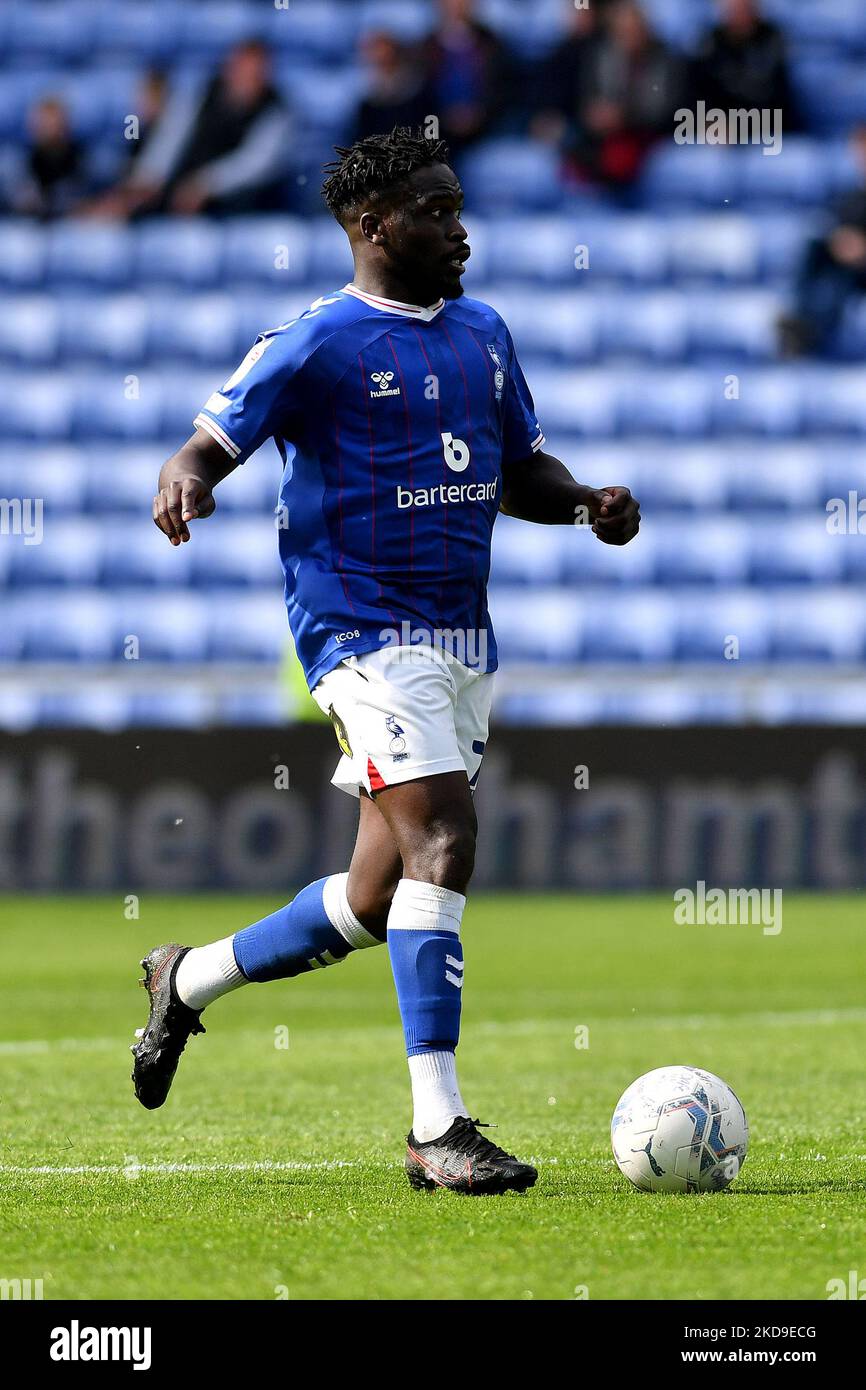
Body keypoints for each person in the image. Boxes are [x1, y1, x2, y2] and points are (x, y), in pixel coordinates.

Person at [134, 127, 640, 1196]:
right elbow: (210, 440)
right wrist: (185, 478)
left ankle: (186, 979)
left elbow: (515, 467)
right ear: (372, 225)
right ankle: (436, 1127)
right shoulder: (316, 341)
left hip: (460, 637)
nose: (460, 229)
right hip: (359, 627)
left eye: (458, 207)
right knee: (445, 839)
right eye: (436, 210)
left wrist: (583, 500)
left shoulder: (483, 334)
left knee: (372, 898)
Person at [102, 39, 289, 217]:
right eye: (241, 70)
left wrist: (205, 184)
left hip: (238, 200)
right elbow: (171, 137)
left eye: (254, 74)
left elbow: (253, 164)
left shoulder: (277, 110)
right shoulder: (201, 95)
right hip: (180, 187)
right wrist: (148, 178)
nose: (246, 79)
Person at [566, 0, 685, 188]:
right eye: (623, 31)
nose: (629, 37)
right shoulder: (602, 56)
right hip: (604, 134)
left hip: (646, 133)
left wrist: (624, 116)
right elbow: (588, 96)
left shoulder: (664, 60)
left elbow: (664, 108)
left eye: (634, 30)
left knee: (620, 159)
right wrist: (596, 115)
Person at [779, 126, 866, 356]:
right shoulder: (852, 196)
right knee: (816, 246)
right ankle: (799, 316)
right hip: (849, 268)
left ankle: (810, 330)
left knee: (840, 281)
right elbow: (839, 231)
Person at [692, 0, 798, 128]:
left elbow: (775, 97)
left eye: (745, 7)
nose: (740, 14)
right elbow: (700, 92)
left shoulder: (772, 40)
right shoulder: (710, 44)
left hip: (768, 129)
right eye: (734, 9)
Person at [422, 0, 509, 154]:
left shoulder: (491, 43)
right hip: (437, 128)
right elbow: (423, 90)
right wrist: (445, 116)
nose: (457, 5)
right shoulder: (427, 46)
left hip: (486, 127)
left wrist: (479, 114)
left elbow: (502, 87)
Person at [9, 96, 86, 218]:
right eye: (44, 123)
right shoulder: (16, 162)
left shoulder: (82, 159)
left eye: (54, 122)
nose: (50, 129)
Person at [353, 30, 434, 142]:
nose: (382, 56)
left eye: (386, 50)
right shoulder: (365, 93)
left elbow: (429, 124)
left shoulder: (415, 86)